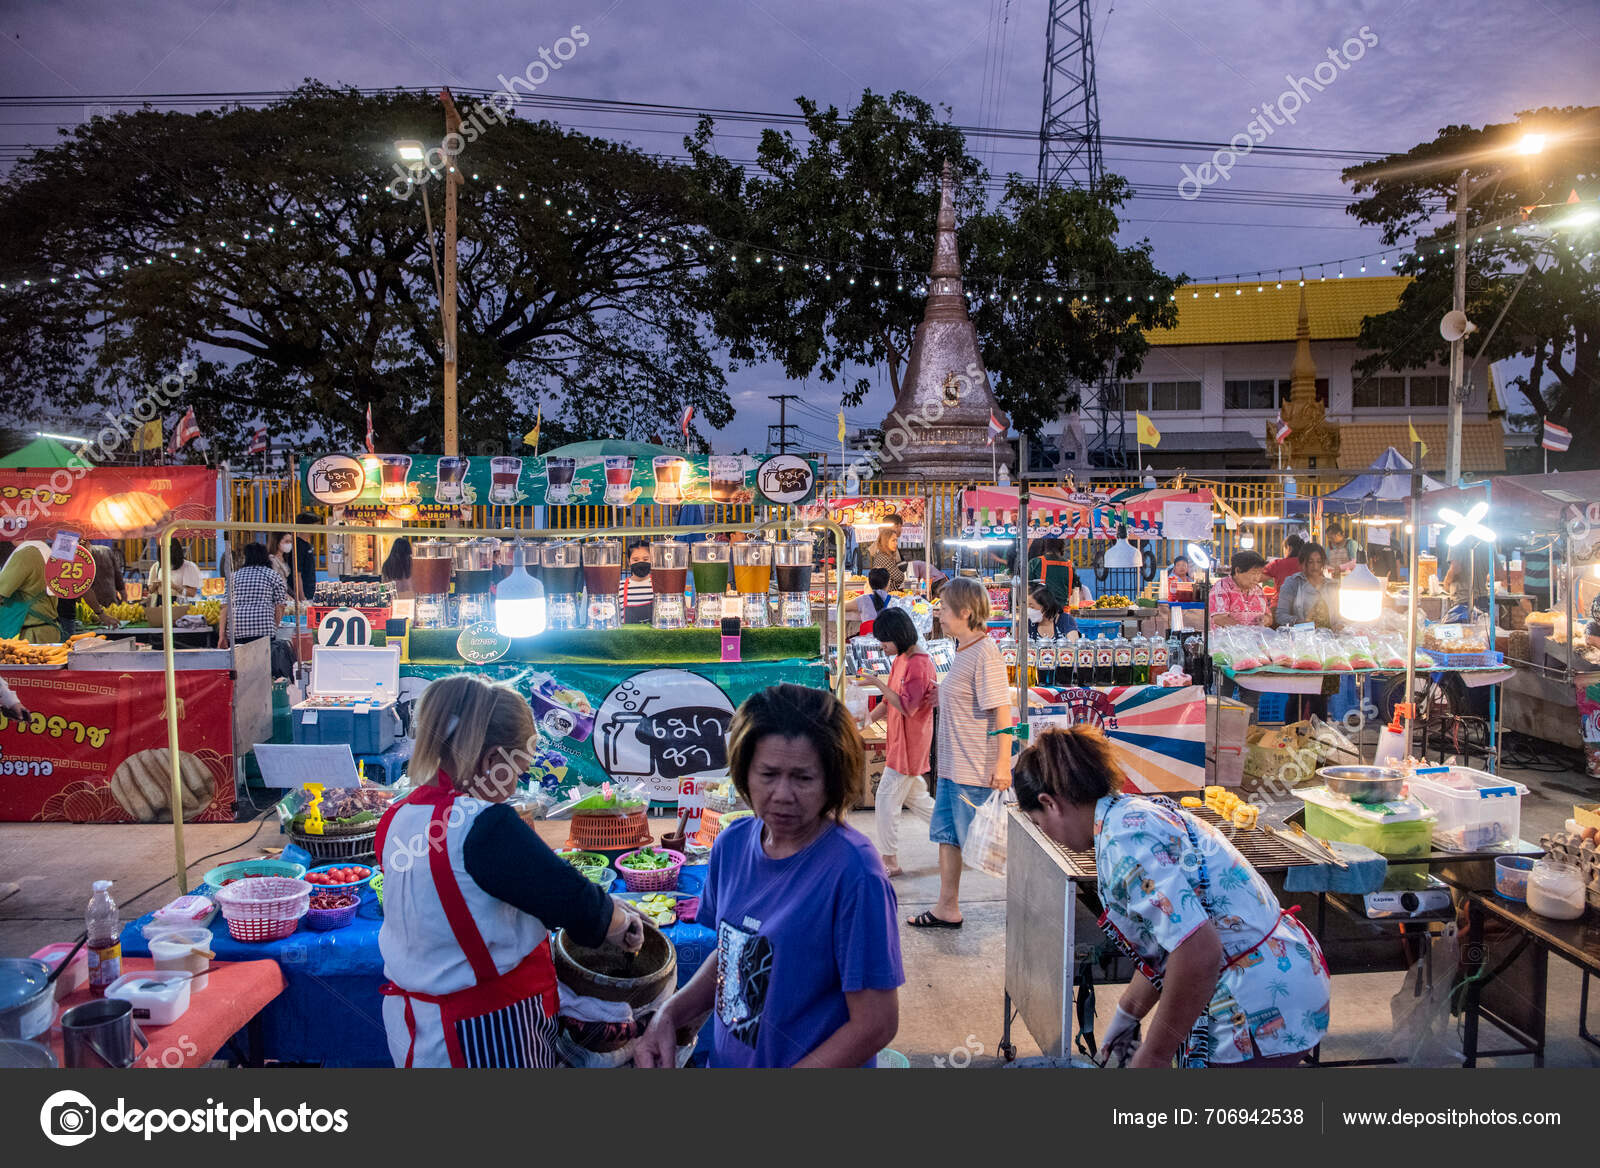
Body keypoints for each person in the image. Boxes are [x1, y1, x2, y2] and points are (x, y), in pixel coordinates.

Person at [1012, 724, 1330, 1067]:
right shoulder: (1131, 814)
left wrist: (1154, 1055)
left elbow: (1198, 953)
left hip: (1258, 1004)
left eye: (1039, 822)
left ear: (1050, 803)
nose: (1048, 833)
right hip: (1286, 980)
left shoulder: (1123, 843)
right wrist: (1128, 1013)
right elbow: (1172, 940)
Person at [377, 674, 644, 1068]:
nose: (516, 784)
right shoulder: (484, 825)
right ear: (491, 761)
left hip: (415, 1029)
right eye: (517, 772)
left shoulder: (396, 817)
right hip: (484, 1033)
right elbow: (570, 898)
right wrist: (619, 923)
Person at [635, 683, 902, 1067]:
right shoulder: (730, 844)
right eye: (768, 774)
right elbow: (734, 954)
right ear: (744, 773)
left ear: (832, 780)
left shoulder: (855, 873)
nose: (782, 794)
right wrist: (669, 1014)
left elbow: (875, 1023)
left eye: (803, 778)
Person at [910, 576, 1013, 929]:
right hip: (954, 766)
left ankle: (1034, 907)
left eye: (943, 608)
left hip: (974, 768)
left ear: (965, 612)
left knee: (991, 846)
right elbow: (969, 697)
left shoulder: (985, 653)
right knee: (947, 837)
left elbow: (1002, 711)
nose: (939, 614)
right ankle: (946, 906)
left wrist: (1003, 763)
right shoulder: (963, 650)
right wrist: (942, 694)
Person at [859, 606, 937, 877]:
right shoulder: (901, 659)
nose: (882, 646)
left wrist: (878, 684)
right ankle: (958, 837)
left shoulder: (920, 664)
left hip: (911, 743)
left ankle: (889, 860)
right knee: (918, 798)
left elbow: (906, 707)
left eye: (885, 641)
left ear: (898, 635)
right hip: (898, 741)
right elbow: (888, 703)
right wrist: (865, 722)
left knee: (885, 799)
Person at [227, 542, 288, 646]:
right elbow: (280, 605)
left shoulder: (234, 576)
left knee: (240, 656)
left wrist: (221, 636)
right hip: (264, 628)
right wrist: (275, 626)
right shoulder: (272, 575)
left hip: (237, 628)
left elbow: (225, 606)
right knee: (263, 657)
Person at [0, 541, 61, 643]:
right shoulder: (46, 551)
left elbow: (2, 591)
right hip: (49, 630)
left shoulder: (26, 554)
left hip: (31, 635)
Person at [1275, 542, 1340, 628]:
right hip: (1302, 635)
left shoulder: (1332, 585)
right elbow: (1280, 616)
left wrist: (1339, 626)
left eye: (1319, 562)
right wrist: (1301, 623)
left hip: (1330, 635)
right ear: (1302, 563)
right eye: (1310, 562)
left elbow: (1340, 616)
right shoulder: (1292, 583)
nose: (1315, 566)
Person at [1441, 535, 1503, 617]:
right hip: (1482, 599)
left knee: (1463, 625)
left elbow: (1456, 568)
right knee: (1481, 625)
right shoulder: (1488, 541)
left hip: (1462, 599)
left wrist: (1446, 583)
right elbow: (1500, 574)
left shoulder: (1456, 539)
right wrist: (1483, 577)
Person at [1208, 550, 1273, 628]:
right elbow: (1219, 618)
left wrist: (1265, 619)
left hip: (1255, 635)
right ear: (1237, 571)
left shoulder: (1258, 590)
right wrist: (1245, 631)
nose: (1257, 578)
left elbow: (1269, 618)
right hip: (1229, 636)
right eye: (1253, 573)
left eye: (1259, 573)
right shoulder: (1222, 587)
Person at [862, 514, 906, 591]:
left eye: (896, 540)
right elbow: (900, 577)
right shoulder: (884, 557)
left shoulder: (887, 554)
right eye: (893, 541)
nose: (896, 543)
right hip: (887, 593)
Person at [620, 539, 654, 625]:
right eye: (635, 560)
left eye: (645, 559)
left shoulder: (660, 585)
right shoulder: (619, 587)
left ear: (653, 559)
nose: (641, 563)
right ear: (629, 562)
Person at [855, 567, 892, 637]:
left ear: (869, 583)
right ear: (888, 583)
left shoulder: (863, 599)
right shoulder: (895, 600)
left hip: (866, 642)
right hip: (888, 640)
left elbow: (842, 606)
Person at [292, 512, 319, 599]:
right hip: (303, 595)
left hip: (310, 593)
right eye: (316, 525)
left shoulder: (307, 545)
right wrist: (302, 597)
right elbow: (297, 573)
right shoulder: (298, 545)